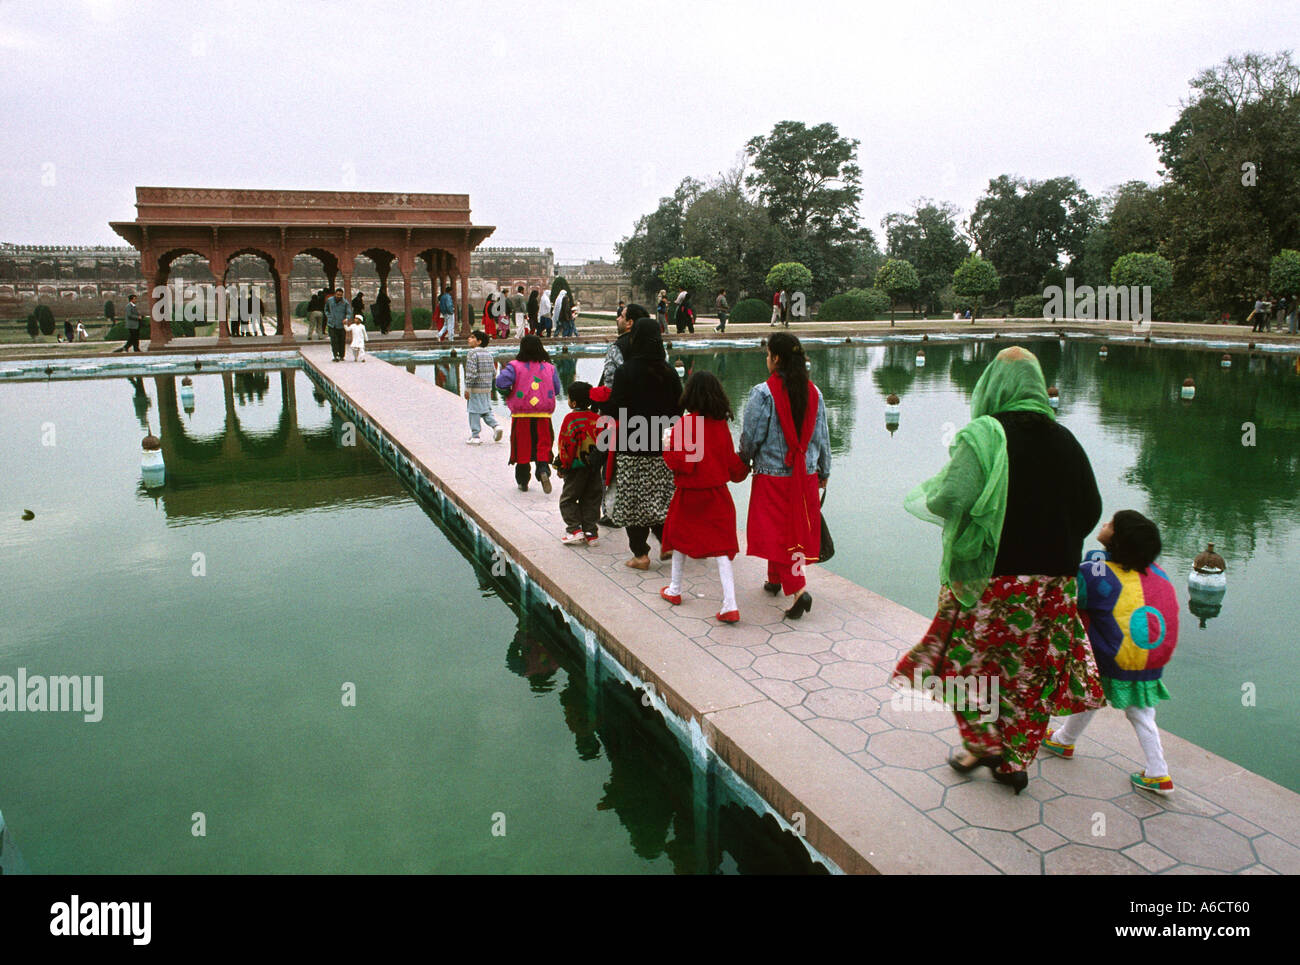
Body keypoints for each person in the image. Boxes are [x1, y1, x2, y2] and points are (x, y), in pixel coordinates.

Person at [892, 345, 1104, 795]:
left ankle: (982, 744)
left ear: (992, 384)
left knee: (970, 666)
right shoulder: (1066, 440)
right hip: (1054, 587)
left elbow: (948, 498)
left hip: (994, 581)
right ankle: (1012, 761)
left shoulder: (984, 435)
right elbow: (1090, 510)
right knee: (1025, 676)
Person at [1043, 510, 1180, 795]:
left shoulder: (1097, 571)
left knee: (1131, 711)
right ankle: (1063, 739)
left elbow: (1068, 593)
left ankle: (1158, 772)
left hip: (1111, 653)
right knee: (1117, 703)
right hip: (1148, 657)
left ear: (1117, 540)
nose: (1104, 524)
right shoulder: (1157, 573)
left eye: (1111, 524)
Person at [739, 332, 830, 620]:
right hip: (805, 476)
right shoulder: (814, 392)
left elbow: (751, 436)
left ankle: (798, 589)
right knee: (788, 530)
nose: (766, 359)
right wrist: (824, 471)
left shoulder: (762, 393)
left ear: (776, 358)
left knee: (779, 533)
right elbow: (823, 437)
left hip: (773, 476)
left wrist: (744, 459)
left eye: (767, 355)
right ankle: (774, 579)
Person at [661, 371, 750, 622]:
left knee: (679, 540)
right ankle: (730, 604)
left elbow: (682, 463)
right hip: (718, 495)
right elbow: (733, 466)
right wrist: (746, 465)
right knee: (721, 550)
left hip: (689, 495)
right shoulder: (720, 425)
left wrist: (666, 447)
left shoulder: (685, 424)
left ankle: (675, 589)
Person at [604, 317, 683, 568]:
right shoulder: (669, 372)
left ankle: (640, 554)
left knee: (633, 499)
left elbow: (615, 408)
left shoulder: (625, 371)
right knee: (661, 496)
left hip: (632, 445)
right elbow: (678, 410)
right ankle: (667, 543)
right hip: (661, 445)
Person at [495, 334, 560, 492]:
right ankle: (543, 469)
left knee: (522, 448)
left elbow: (500, 382)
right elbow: (556, 389)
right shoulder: (550, 368)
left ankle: (523, 481)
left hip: (521, 416)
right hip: (543, 416)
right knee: (542, 444)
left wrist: (508, 392)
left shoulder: (514, 366)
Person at [555, 380, 604, 546]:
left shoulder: (571, 419)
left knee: (568, 499)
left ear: (573, 402)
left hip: (575, 468)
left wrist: (562, 465)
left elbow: (566, 444)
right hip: (594, 468)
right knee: (591, 498)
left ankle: (574, 529)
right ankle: (591, 533)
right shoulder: (597, 419)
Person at [463, 329, 503, 445]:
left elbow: (471, 373)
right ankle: (496, 426)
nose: (469, 339)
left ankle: (475, 435)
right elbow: (494, 372)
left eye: (472, 337)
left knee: (473, 411)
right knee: (486, 410)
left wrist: (468, 389)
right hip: (486, 387)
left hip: (475, 388)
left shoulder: (472, 353)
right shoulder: (489, 354)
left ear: (479, 341)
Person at [324, 287, 350, 361]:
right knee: (334, 340)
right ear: (335, 294)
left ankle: (342, 355)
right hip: (332, 324)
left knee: (341, 340)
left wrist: (346, 318)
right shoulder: (329, 300)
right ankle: (335, 355)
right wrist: (328, 316)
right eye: (338, 295)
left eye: (340, 295)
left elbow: (348, 312)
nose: (339, 296)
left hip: (341, 324)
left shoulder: (345, 302)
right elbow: (326, 309)